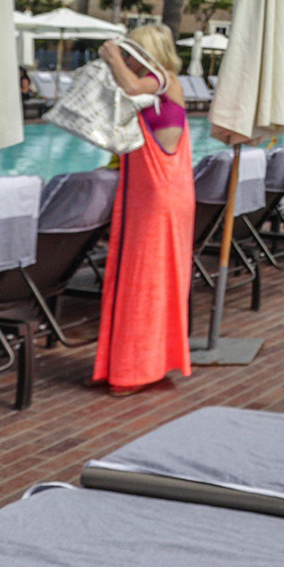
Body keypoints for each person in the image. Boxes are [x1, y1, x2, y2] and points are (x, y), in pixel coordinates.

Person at [90, 23, 193, 396]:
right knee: (149, 277)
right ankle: (146, 362)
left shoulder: (163, 80)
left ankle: (134, 368)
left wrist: (112, 54)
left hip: (157, 197)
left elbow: (131, 87)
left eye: (134, 51)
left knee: (143, 279)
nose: (128, 58)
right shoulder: (154, 89)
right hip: (156, 194)